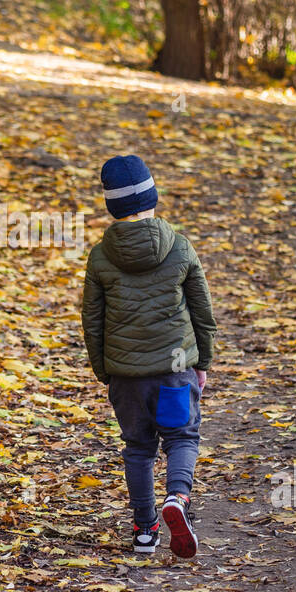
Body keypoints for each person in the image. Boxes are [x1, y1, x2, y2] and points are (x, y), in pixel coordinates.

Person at [81, 155, 217, 558]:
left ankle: (145, 529)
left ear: (112, 206)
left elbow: (93, 321)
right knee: (181, 437)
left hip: (127, 376)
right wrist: (203, 363)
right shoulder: (179, 245)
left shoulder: (100, 256)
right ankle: (178, 497)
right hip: (176, 369)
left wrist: (105, 371)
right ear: (152, 198)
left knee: (138, 448)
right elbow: (202, 311)